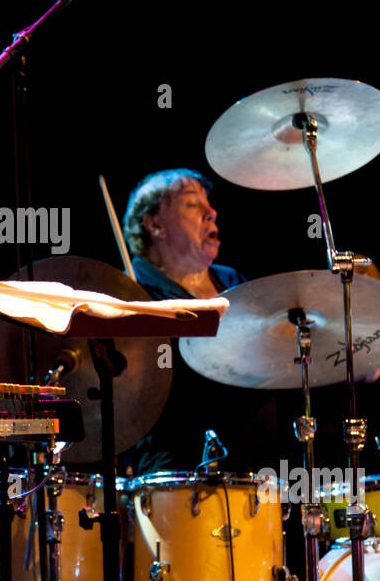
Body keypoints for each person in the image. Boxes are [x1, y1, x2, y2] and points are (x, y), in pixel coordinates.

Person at [120, 168, 283, 474]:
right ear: (154, 223)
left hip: (258, 470)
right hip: (176, 475)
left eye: (208, 204)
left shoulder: (234, 282)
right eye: (192, 204)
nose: (211, 212)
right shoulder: (134, 295)